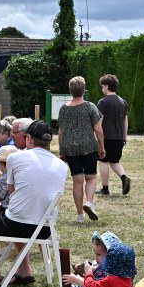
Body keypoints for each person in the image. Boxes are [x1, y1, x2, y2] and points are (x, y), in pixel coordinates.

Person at [0, 120, 68, 287]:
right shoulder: (62, 166)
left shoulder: (15, 157)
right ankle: (24, 271)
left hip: (17, 225)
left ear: (29, 139)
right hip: (44, 229)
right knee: (22, 214)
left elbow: (12, 192)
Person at [57, 76, 106, 222]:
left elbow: (60, 132)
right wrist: (101, 147)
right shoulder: (90, 106)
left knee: (77, 180)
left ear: (70, 91)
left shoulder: (63, 109)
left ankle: (80, 215)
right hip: (88, 146)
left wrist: (62, 150)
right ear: (84, 90)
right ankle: (89, 203)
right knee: (90, 178)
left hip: (69, 147)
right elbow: (98, 129)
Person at [96, 74, 131, 196]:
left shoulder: (103, 102)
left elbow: (98, 122)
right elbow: (125, 121)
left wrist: (96, 136)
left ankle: (105, 189)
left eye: (102, 86)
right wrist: (125, 136)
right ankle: (124, 177)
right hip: (119, 137)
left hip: (106, 137)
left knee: (103, 161)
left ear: (106, 86)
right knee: (115, 161)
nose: (102, 89)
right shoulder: (123, 102)